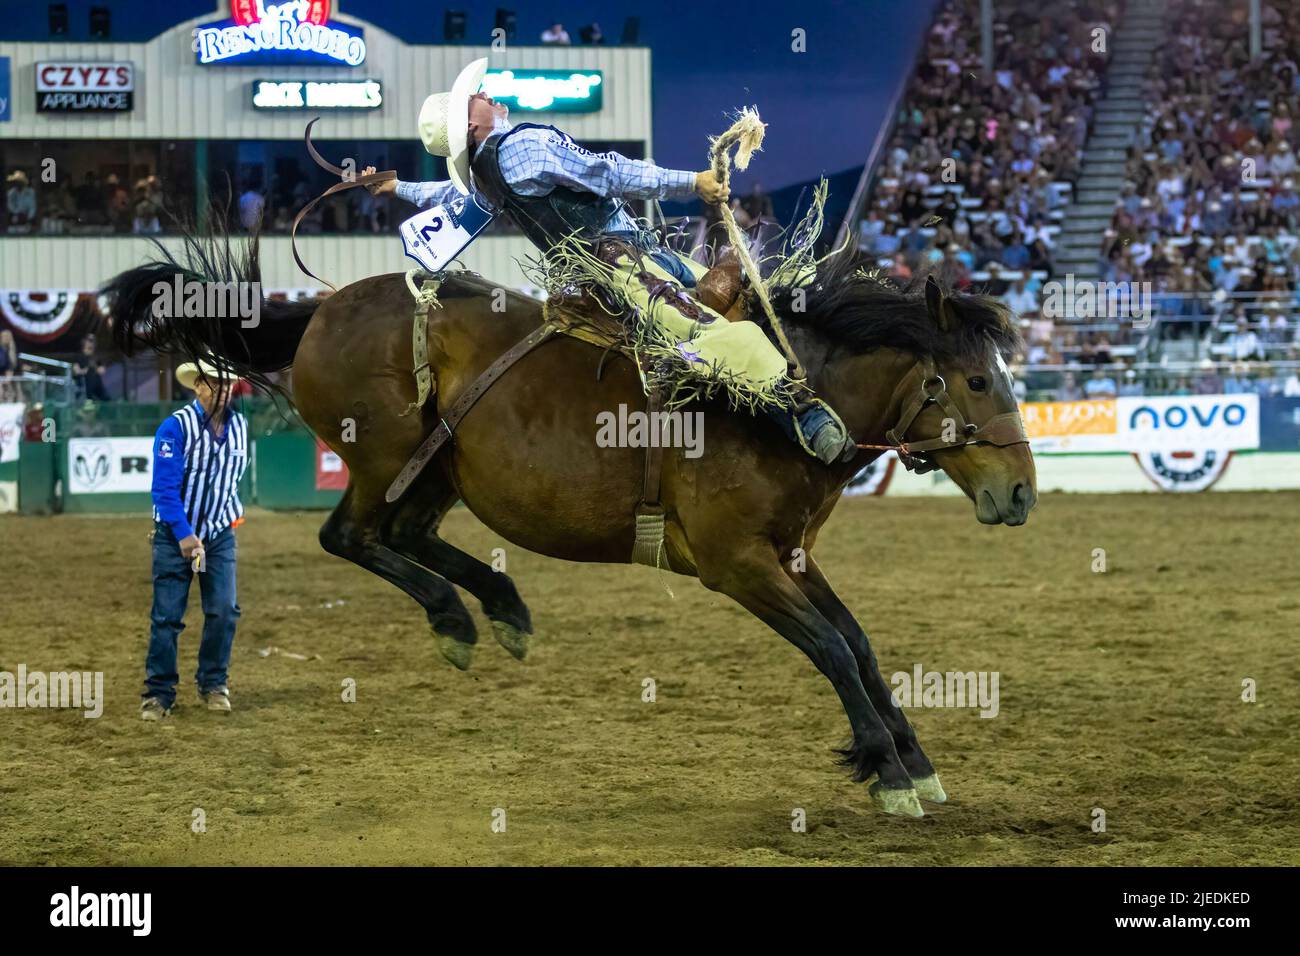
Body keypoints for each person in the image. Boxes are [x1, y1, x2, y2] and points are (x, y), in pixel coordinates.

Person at [362, 58, 853, 464]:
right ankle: (802, 413)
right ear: (471, 123)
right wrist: (694, 183)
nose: (485, 95)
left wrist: (395, 187)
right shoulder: (522, 147)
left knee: (722, 293)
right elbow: (605, 172)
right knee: (709, 327)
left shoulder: (487, 176)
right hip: (622, 260)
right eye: (477, 98)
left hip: (609, 266)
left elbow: (450, 194)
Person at [141, 360, 249, 720]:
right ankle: (158, 694)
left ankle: (214, 683)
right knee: (168, 617)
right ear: (198, 386)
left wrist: (226, 516)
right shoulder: (174, 428)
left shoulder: (240, 427)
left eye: (228, 384)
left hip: (218, 536)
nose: (223, 390)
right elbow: (164, 489)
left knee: (224, 611)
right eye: (216, 384)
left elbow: (232, 480)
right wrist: (185, 534)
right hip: (175, 538)